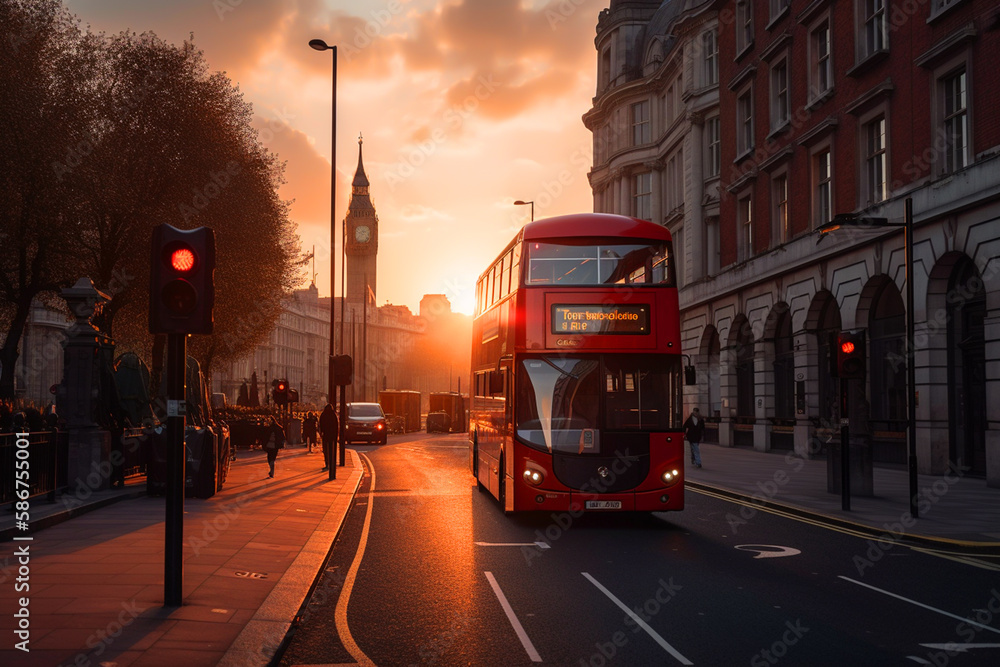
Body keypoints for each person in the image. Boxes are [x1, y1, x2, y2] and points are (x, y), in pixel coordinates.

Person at [319, 403, 339, 472]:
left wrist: (321, 433)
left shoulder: (323, 414)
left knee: (326, 450)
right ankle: (332, 464)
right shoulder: (333, 415)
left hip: (325, 435)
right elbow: (336, 426)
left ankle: (327, 464)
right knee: (332, 450)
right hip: (332, 435)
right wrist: (336, 435)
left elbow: (320, 425)